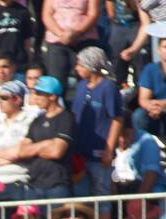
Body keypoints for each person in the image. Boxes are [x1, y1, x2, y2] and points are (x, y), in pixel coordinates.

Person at [72, 47, 123, 196]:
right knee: (80, 195)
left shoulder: (108, 88)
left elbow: (117, 119)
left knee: (101, 193)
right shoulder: (81, 86)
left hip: (99, 152)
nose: (77, 68)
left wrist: (109, 150)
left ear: (91, 66)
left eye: (81, 65)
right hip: (80, 152)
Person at [0, 79, 34, 201]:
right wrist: (12, 157)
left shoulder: (29, 122)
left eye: (4, 98)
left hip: (19, 182)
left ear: (17, 99)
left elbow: (20, 152)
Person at [41, 0, 100, 81]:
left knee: (85, 79)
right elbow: (47, 15)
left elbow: (93, 14)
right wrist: (61, 34)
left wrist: (76, 34)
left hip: (84, 41)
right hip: (57, 42)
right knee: (56, 79)